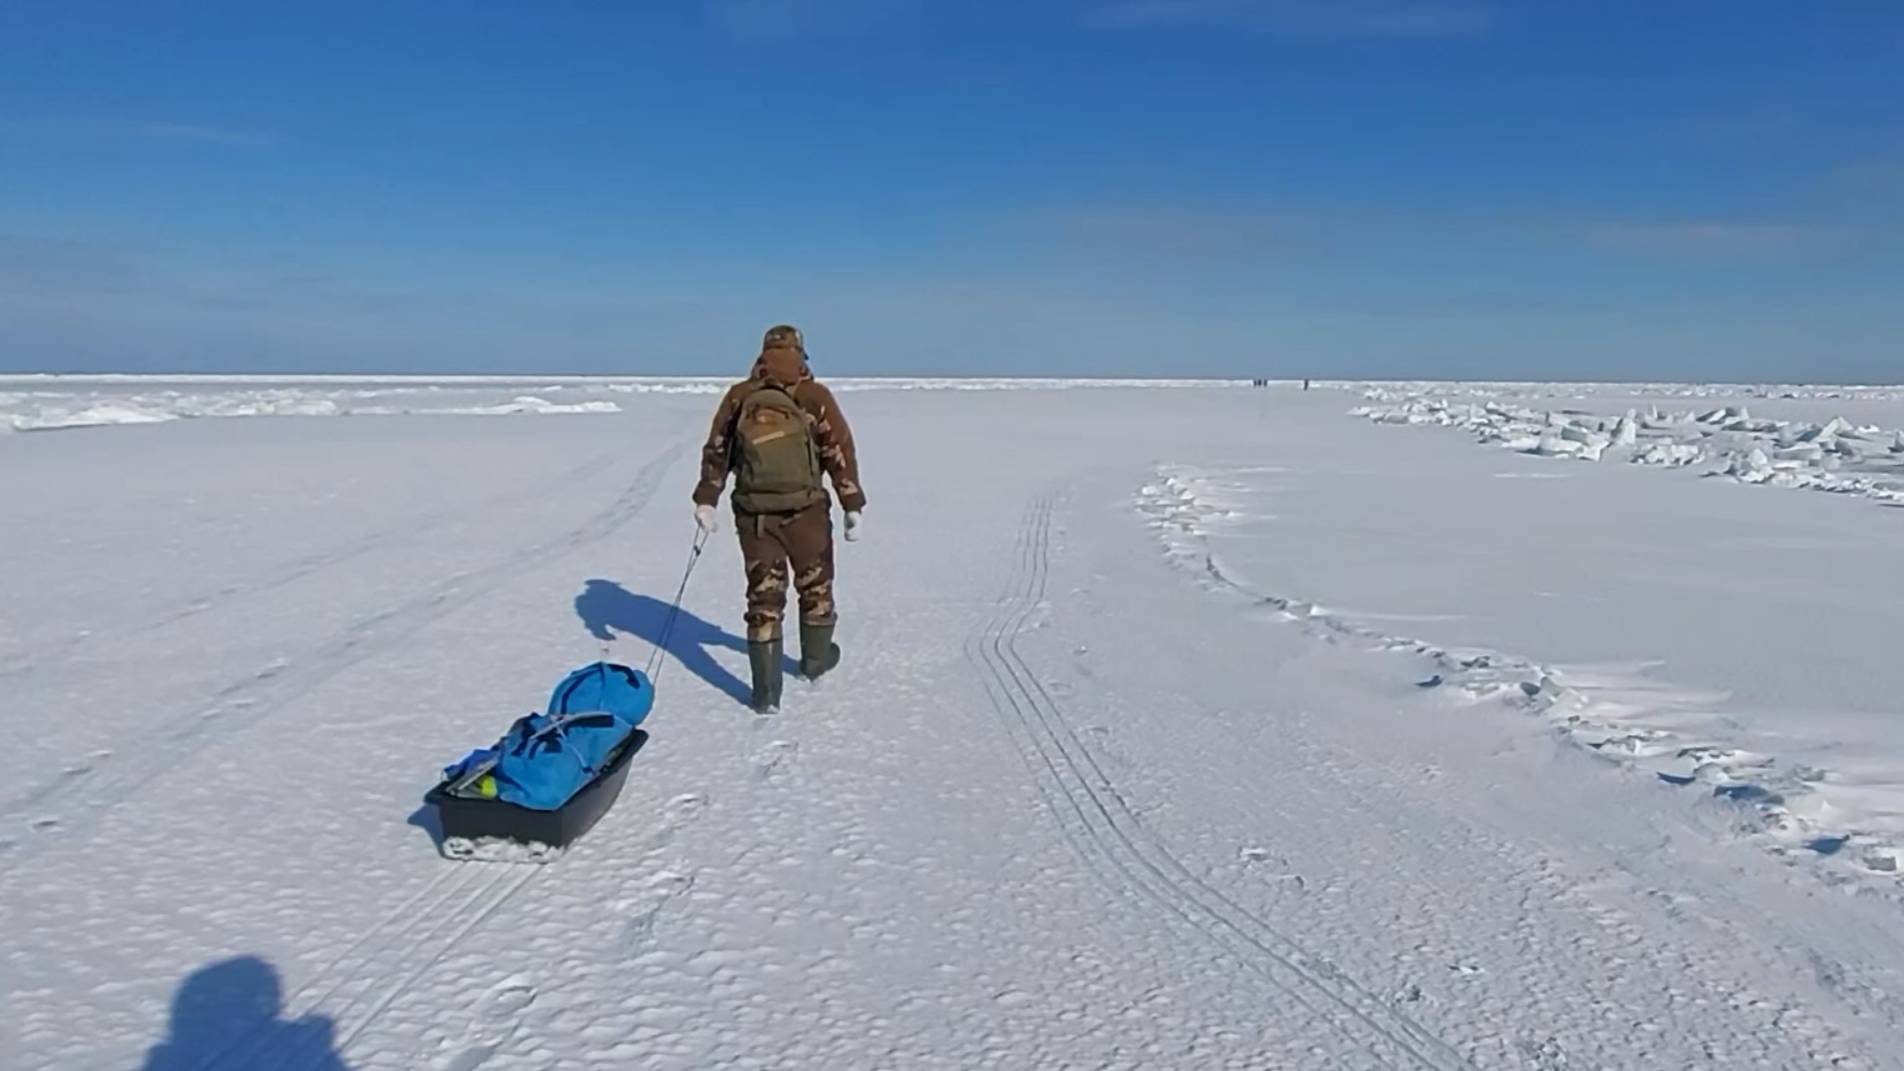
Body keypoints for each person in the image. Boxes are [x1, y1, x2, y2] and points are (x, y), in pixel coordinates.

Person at [692, 325, 865, 713]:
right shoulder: (814, 396)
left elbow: (717, 450)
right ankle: (816, 663)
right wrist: (851, 503)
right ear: (801, 353)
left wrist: (707, 499)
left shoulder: (741, 396)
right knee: (815, 588)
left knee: (764, 598)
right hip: (807, 513)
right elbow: (839, 451)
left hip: (754, 516)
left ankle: (765, 696)